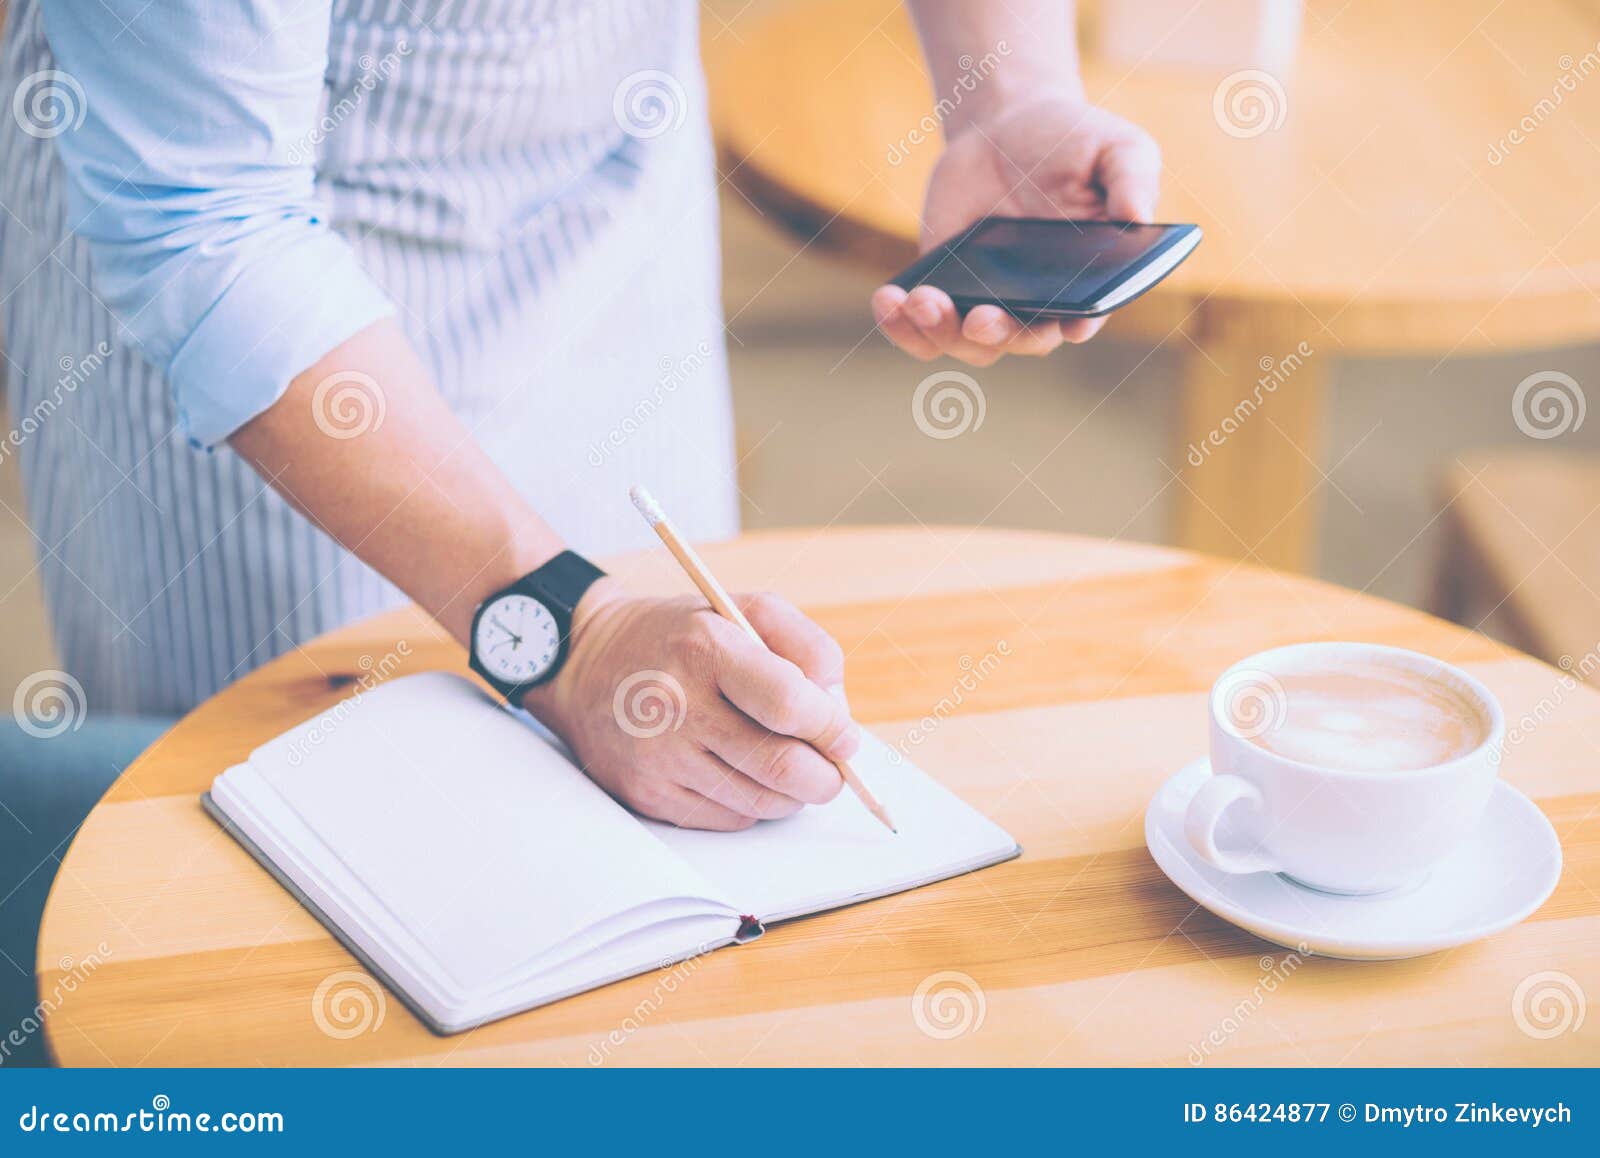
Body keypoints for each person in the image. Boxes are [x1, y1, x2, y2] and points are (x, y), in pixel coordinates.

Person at [0, 0, 1157, 1061]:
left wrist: (1007, 93)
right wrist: (576, 631)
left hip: (605, 179)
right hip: (272, 295)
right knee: (330, 953)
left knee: (691, 880)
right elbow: (206, 219)